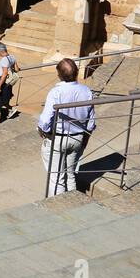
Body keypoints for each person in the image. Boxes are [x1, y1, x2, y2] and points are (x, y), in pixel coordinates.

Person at [37, 58, 96, 196]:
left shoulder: (56, 92)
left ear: (59, 75)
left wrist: (43, 130)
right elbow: (91, 120)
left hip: (58, 138)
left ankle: (57, 208)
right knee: (70, 175)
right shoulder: (86, 91)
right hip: (78, 137)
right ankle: (71, 202)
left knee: (56, 178)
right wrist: (85, 137)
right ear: (76, 73)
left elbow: (45, 120)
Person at [0, 42, 20, 124]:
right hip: (8, 82)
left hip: (0, 81)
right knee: (4, 98)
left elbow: (4, 73)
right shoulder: (12, 57)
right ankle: (11, 110)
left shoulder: (4, 60)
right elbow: (16, 69)